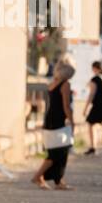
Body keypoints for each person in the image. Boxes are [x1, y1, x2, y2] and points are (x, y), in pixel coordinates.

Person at [31, 61, 75, 190]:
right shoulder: (65, 85)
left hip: (49, 119)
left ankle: (58, 180)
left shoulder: (53, 84)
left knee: (56, 151)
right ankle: (38, 176)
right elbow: (66, 105)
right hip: (59, 121)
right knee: (59, 152)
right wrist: (72, 121)